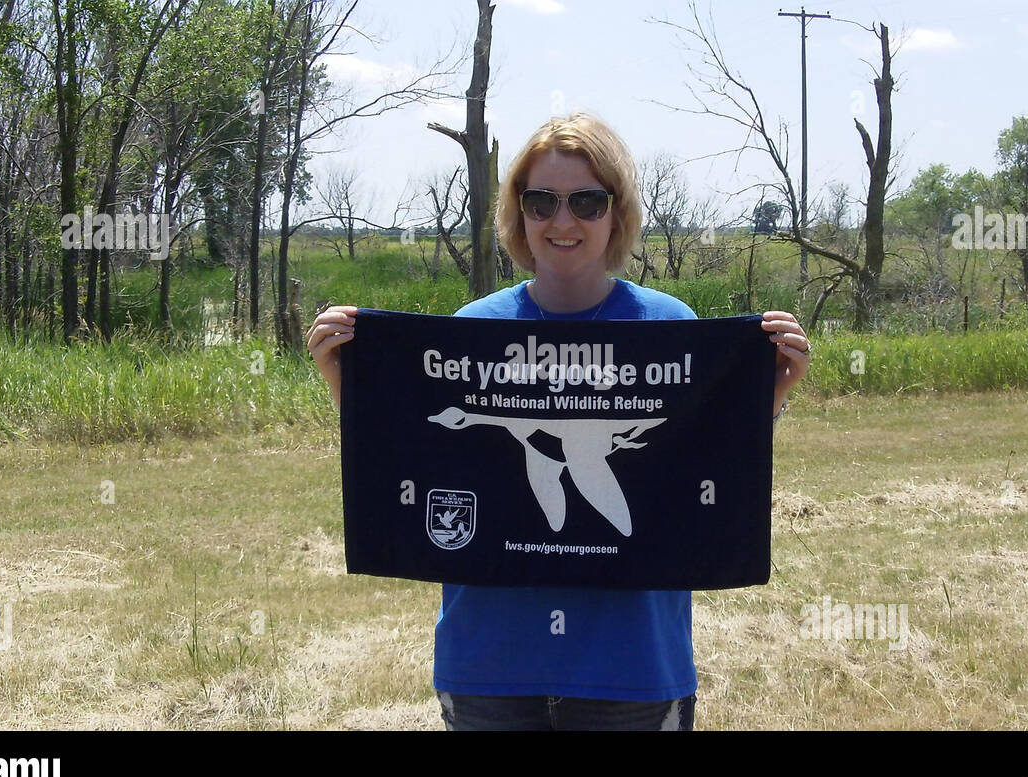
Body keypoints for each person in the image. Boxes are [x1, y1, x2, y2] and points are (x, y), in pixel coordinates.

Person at [308, 113, 810, 730]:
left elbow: (704, 469)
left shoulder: (671, 329)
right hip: (489, 669)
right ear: (518, 213)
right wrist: (350, 384)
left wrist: (770, 395)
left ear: (617, 213)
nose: (562, 221)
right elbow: (419, 456)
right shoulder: (471, 333)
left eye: (587, 202)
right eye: (541, 201)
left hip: (633, 673)